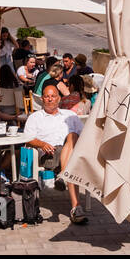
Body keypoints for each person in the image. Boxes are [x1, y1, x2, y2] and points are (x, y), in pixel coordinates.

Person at [22, 84, 88, 224]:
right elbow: (27, 140)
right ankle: (76, 208)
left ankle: (63, 174)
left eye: (53, 96)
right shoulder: (35, 117)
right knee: (72, 159)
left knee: (72, 135)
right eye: (47, 96)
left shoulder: (70, 115)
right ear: (42, 99)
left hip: (69, 152)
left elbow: (84, 135)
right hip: (49, 153)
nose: (50, 99)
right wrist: (42, 144)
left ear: (59, 98)